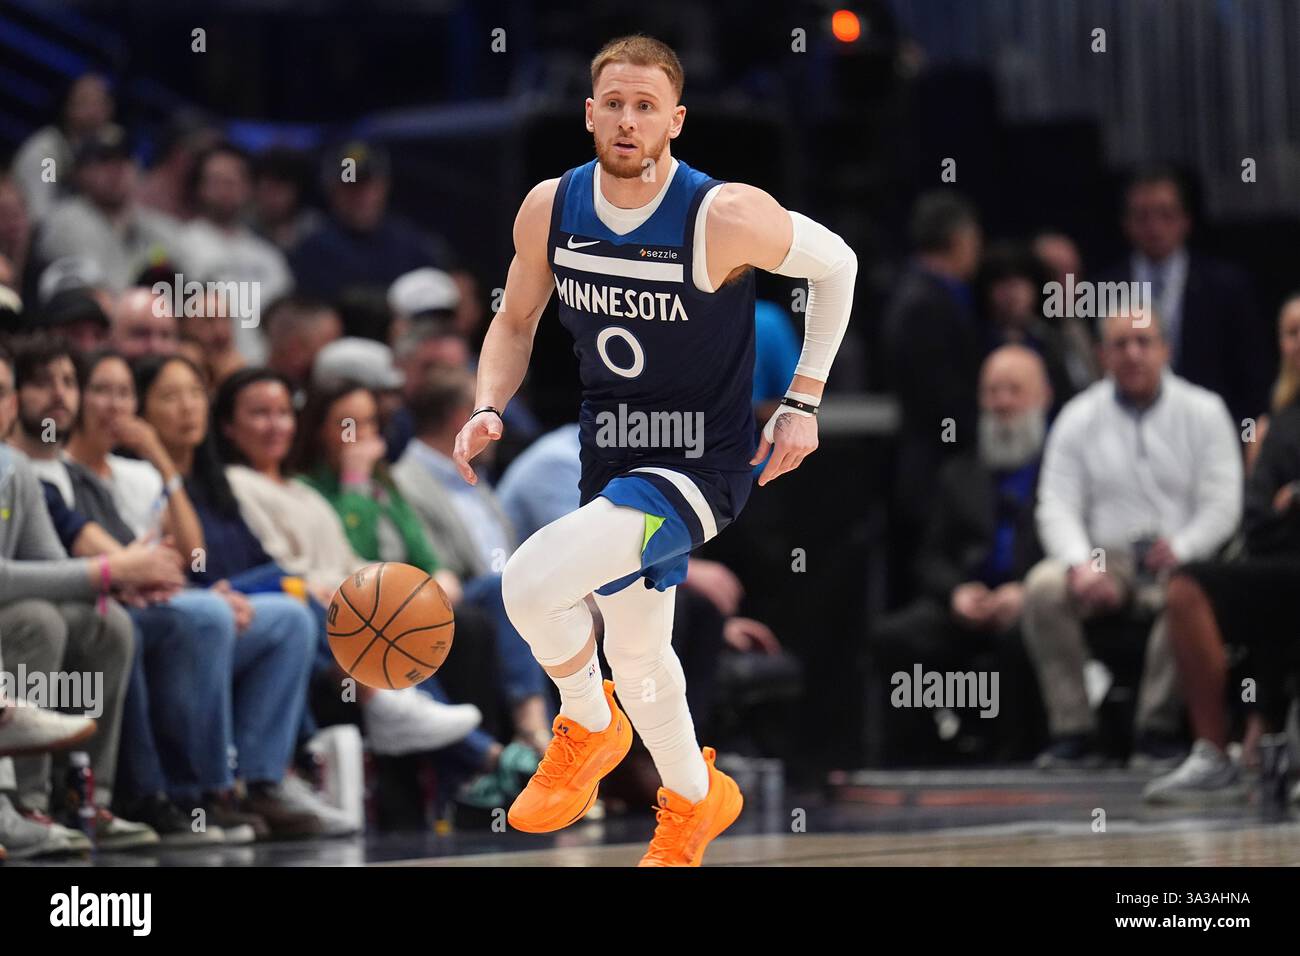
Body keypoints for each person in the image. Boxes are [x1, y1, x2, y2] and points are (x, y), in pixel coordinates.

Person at [453, 35, 856, 865]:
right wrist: (488, 405)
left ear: (675, 119)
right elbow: (514, 320)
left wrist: (804, 402)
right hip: (609, 454)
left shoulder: (723, 214)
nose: (628, 120)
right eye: (614, 104)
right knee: (638, 651)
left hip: (700, 463)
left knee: (528, 583)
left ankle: (587, 725)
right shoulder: (550, 207)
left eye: (646, 106)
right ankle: (695, 802)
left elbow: (839, 264)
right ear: (590, 112)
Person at [210, 366, 487, 762]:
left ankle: (469, 747)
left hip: (342, 592)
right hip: (308, 598)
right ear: (229, 427)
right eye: (259, 414)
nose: (275, 425)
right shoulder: (236, 483)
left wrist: (395, 585)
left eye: (283, 413)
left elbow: (355, 558)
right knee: (369, 618)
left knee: (428, 612)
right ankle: (478, 752)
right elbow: (273, 564)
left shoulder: (302, 491)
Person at [1024, 307, 1242, 769]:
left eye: (1144, 342)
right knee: (1044, 587)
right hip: (1109, 558)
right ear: (1103, 354)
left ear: (1166, 349)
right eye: (1120, 344)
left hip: (1180, 555)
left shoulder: (1205, 411)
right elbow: (1056, 504)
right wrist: (1081, 563)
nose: (1133, 354)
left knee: (1188, 591)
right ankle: (1075, 731)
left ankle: (1155, 731)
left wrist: (1183, 548)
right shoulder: (1078, 417)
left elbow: (1224, 504)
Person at [132, 353, 330, 837]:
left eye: (196, 394)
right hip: (166, 612)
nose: (187, 408)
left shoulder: (216, 486)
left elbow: (257, 565)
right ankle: (204, 792)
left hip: (216, 610)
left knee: (288, 615)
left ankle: (262, 780)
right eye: (171, 396)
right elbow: (164, 565)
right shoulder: (137, 475)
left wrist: (233, 591)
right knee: (233, 611)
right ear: (141, 410)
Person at [1143, 293, 1300, 805]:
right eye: (1291, 332)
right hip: (1282, 567)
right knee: (1189, 585)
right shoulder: (1279, 423)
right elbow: (1256, 521)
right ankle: (1212, 752)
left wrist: (1291, 502)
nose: (1299, 343)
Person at [870, 346, 1051, 760]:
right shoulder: (958, 473)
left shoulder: (1062, 470)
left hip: (1032, 602)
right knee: (893, 637)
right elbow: (929, 558)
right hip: (969, 603)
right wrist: (956, 594)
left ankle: (1016, 756)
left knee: (1020, 638)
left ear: (1043, 396)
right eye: (992, 391)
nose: (1002, 402)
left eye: (1014, 390)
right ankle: (921, 757)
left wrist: (1024, 593)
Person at [1093, 166, 1269, 424]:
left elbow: (1250, 373)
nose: (1154, 226)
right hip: (1123, 425)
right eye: (1142, 216)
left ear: (1186, 220)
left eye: (1166, 214)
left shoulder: (1225, 286)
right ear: (1126, 224)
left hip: (1211, 425)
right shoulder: (1103, 288)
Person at [881, 190, 984, 565]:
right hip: (934, 472)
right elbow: (941, 397)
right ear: (959, 238)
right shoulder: (925, 302)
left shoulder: (922, 293)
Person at [178, 143, 294, 363]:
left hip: (262, 363)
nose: (226, 189)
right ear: (200, 187)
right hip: (205, 363)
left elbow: (285, 320)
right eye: (217, 181)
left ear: (249, 188)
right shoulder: (180, 245)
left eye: (234, 181)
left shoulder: (269, 256)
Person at [37, 125, 189, 292]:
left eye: (125, 159)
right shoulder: (65, 222)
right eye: (104, 161)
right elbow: (97, 292)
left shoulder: (153, 225)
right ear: (80, 172)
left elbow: (186, 275)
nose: (116, 170)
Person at [9, 73, 114, 224]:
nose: (96, 112)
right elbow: (41, 215)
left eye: (102, 102)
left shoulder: (106, 149)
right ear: (68, 107)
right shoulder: (47, 155)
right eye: (86, 102)